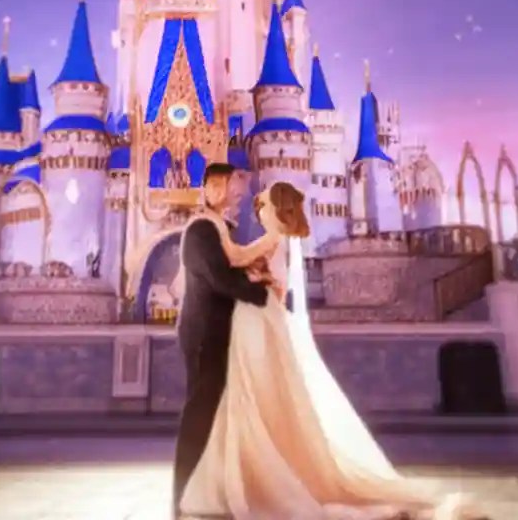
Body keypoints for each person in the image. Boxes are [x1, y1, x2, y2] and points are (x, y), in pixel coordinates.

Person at [177, 181, 482, 520]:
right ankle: (240, 476)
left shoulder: (272, 238)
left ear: (276, 209)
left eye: (261, 204)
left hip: (257, 322)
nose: (256, 209)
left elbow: (254, 276)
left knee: (253, 397)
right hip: (256, 322)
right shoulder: (273, 239)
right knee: (250, 398)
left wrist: (249, 273)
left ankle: (254, 479)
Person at [172, 163, 271, 518]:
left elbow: (227, 271)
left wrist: (254, 274)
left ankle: (207, 490)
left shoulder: (218, 229)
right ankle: (183, 494)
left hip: (216, 332)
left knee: (212, 413)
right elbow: (218, 278)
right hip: (204, 334)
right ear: (214, 188)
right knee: (200, 412)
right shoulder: (201, 230)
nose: (240, 198)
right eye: (234, 190)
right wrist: (261, 295)